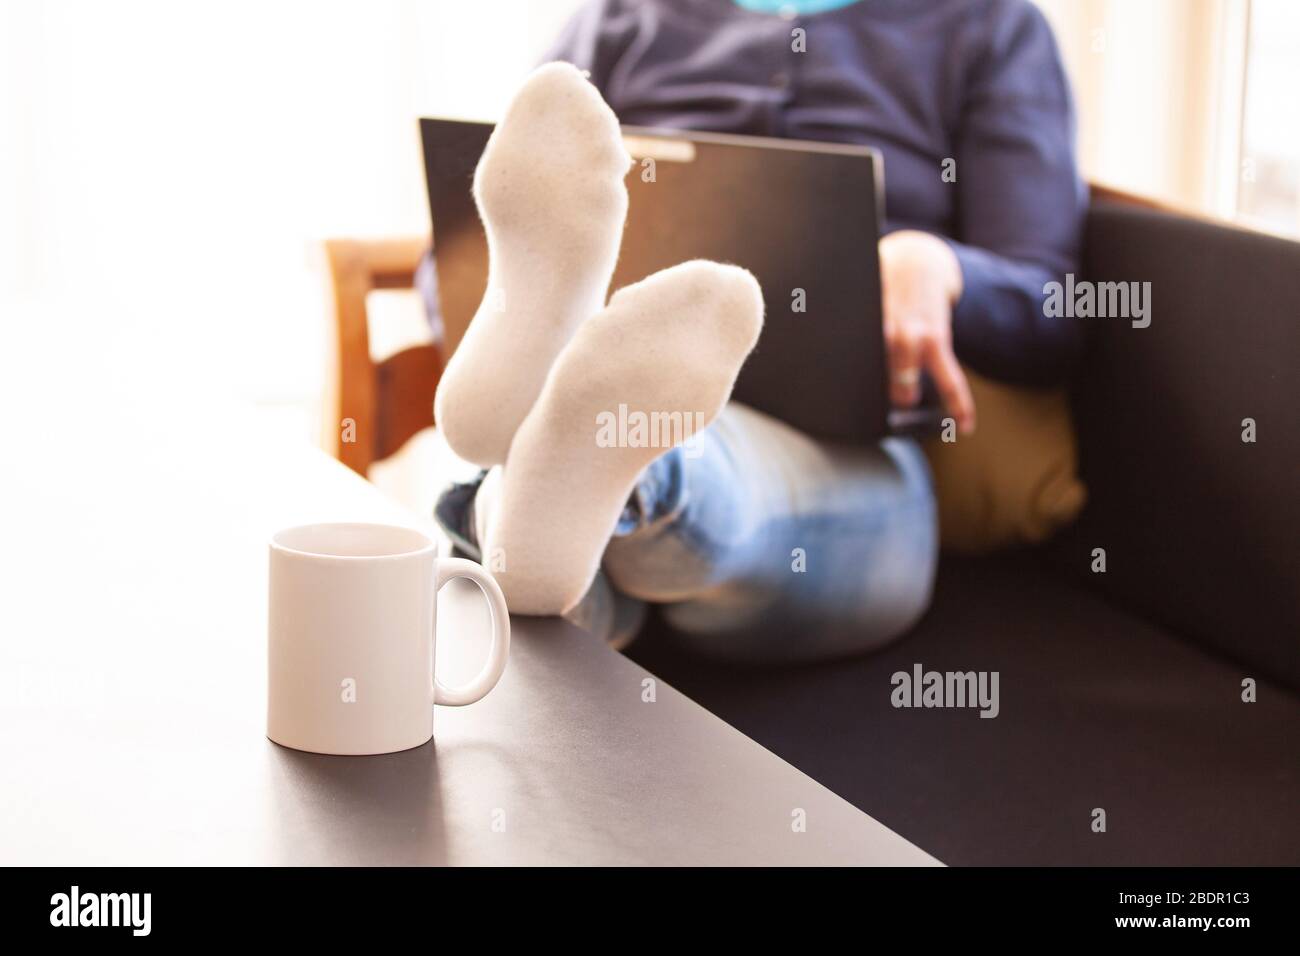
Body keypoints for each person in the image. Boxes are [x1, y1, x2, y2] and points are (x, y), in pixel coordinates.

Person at [425, 0, 1084, 660]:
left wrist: (944, 267)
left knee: (614, 456)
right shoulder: (625, 15)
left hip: (849, 448)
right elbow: (449, 263)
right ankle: (572, 451)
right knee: (590, 473)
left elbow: (1054, 309)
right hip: (619, 434)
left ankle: (577, 458)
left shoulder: (987, 23)